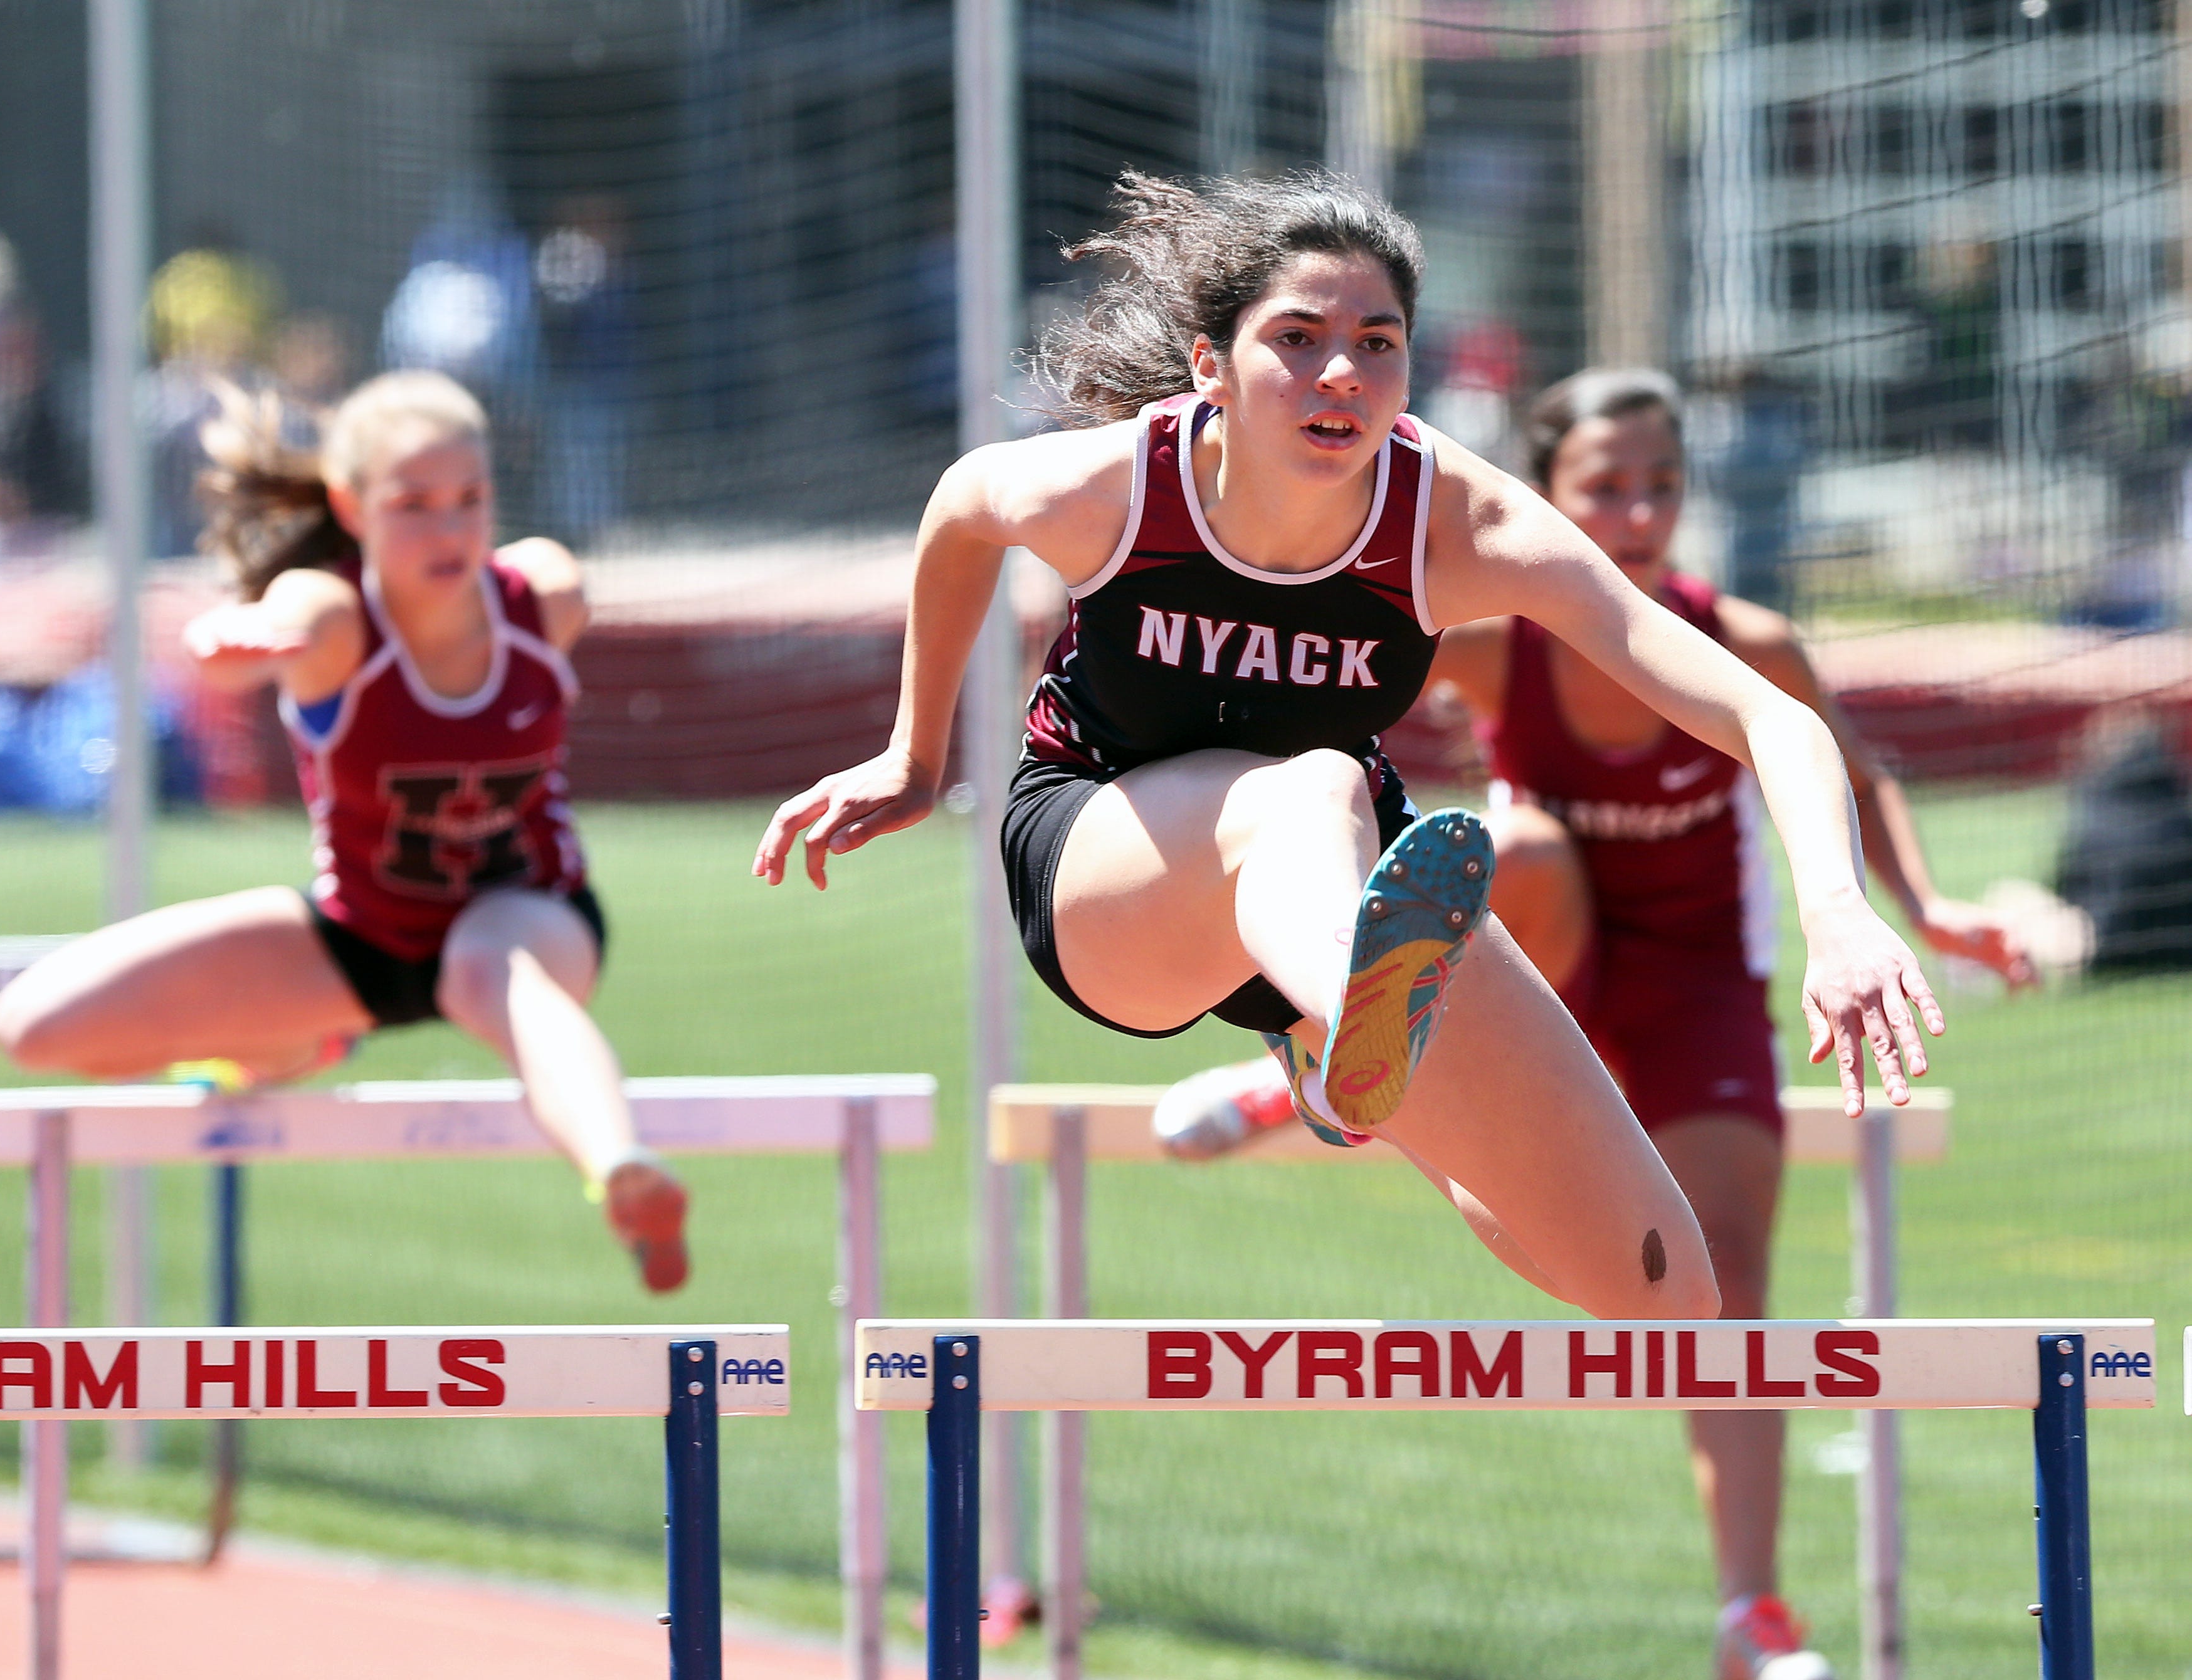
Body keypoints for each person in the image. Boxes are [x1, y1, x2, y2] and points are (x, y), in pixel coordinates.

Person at [756, 171, 1947, 1327]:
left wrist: (1839, 913)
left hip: (1339, 887)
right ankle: (1345, 1034)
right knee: (1314, 782)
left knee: (1660, 1285)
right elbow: (964, 510)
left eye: (1379, 342)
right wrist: (914, 758)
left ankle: (1344, 1052)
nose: (1342, 373)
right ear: (1207, 366)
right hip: (1111, 877)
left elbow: (1767, 715)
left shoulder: (1455, 521)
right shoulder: (1116, 489)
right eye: (1299, 337)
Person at [1157, 365, 2033, 1680]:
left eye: (1659, 488)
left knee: (1724, 1269)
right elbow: (1314, 683)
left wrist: (1923, 906)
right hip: (1538, 963)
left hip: (1693, 982)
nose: (1632, 514)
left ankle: (1751, 1610)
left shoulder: (1742, 637)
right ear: (1545, 499)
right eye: (1601, 489)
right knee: (1511, 844)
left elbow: (1850, 766)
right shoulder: (1497, 633)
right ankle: (1330, 1057)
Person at [0, 370, 689, 1292]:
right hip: (363, 941)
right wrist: (240, 641)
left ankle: (621, 1171)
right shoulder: (331, 616)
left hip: (529, 914)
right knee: (35, 1026)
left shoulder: (540, 598)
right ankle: (291, 1044)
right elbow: (279, 622)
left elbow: (559, 575)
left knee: (487, 968)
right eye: (414, 506)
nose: (449, 530)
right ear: (353, 509)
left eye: (469, 501)